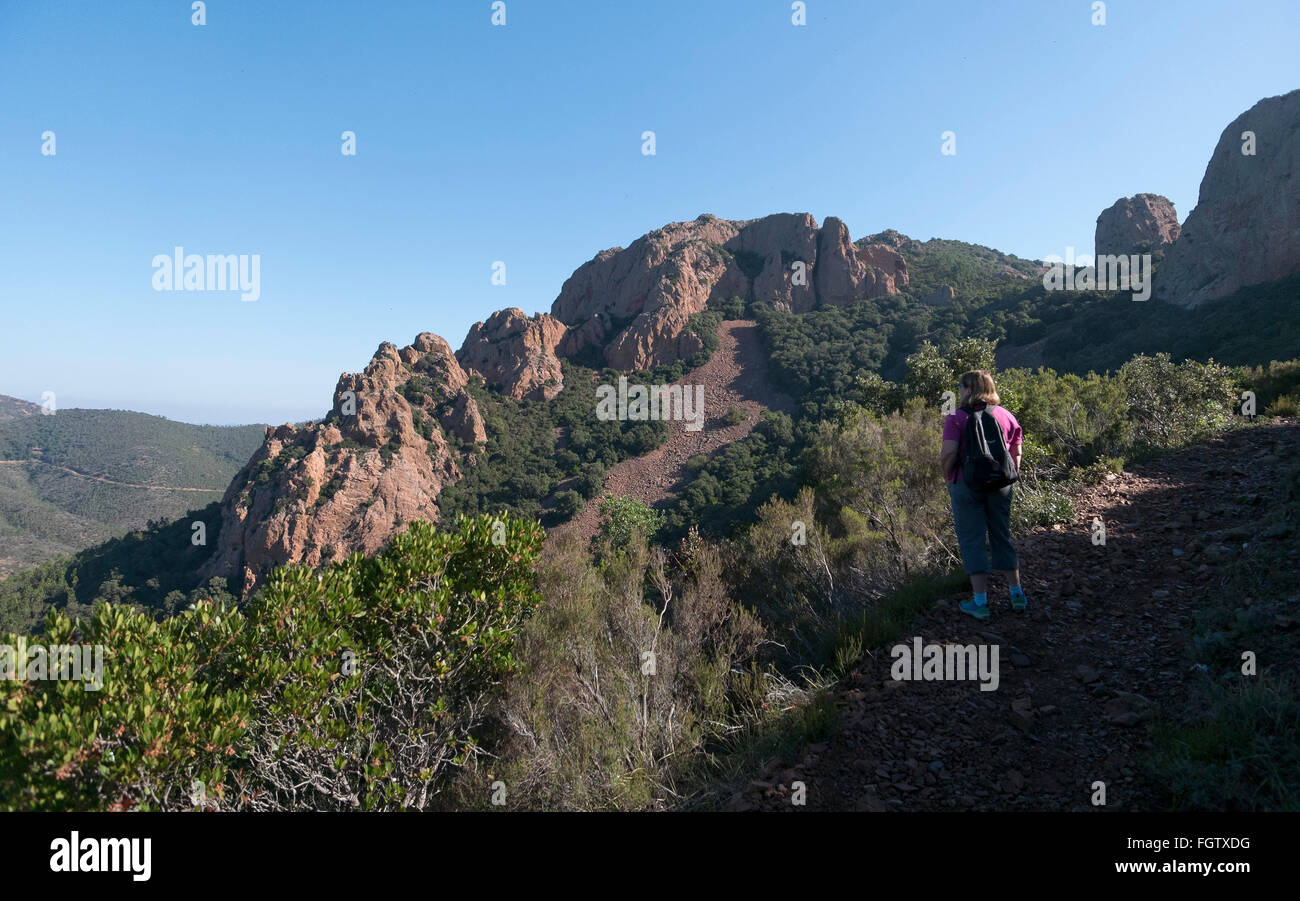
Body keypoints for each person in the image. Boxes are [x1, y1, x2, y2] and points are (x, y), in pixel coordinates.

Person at [939, 370, 1026, 620]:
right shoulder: (1006, 415)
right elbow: (1016, 453)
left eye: (960, 386)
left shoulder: (956, 417)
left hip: (967, 485)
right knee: (1002, 534)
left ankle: (980, 602)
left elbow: (948, 454)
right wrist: (1008, 477)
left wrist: (949, 476)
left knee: (972, 538)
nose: (958, 390)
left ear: (969, 389)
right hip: (1001, 485)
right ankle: (1017, 595)